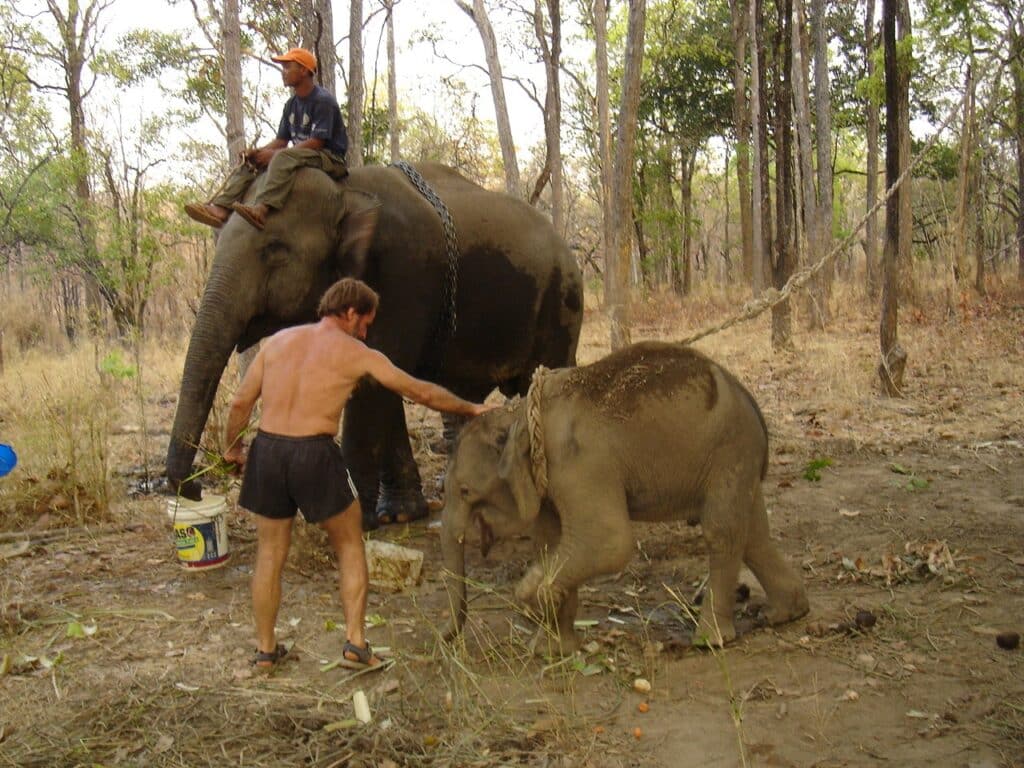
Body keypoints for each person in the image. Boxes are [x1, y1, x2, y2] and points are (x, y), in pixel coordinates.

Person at [223, 278, 495, 670]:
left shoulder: (278, 342)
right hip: (314, 453)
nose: (365, 333)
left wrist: (233, 448)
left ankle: (265, 651)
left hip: (267, 451)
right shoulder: (356, 353)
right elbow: (420, 391)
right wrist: (470, 409)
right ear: (350, 312)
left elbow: (240, 403)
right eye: (365, 323)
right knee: (351, 544)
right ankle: (355, 644)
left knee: (269, 553)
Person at [185, 47, 349, 231]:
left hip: (329, 157)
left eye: (287, 67)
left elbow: (317, 142)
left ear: (304, 70)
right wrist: (259, 152)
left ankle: (262, 209)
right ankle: (222, 208)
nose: (283, 72)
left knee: (281, 156)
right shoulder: (291, 105)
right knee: (254, 160)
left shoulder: (323, 101)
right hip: (302, 154)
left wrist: (275, 155)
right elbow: (281, 141)